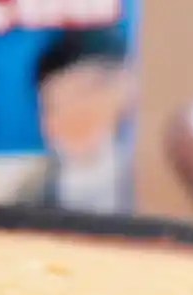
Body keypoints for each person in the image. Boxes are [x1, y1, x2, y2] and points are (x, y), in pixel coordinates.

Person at [35, 27, 136, 214]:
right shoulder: (24, 197)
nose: (75, 116)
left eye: (86, 94)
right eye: (56, 107)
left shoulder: (157, 184)